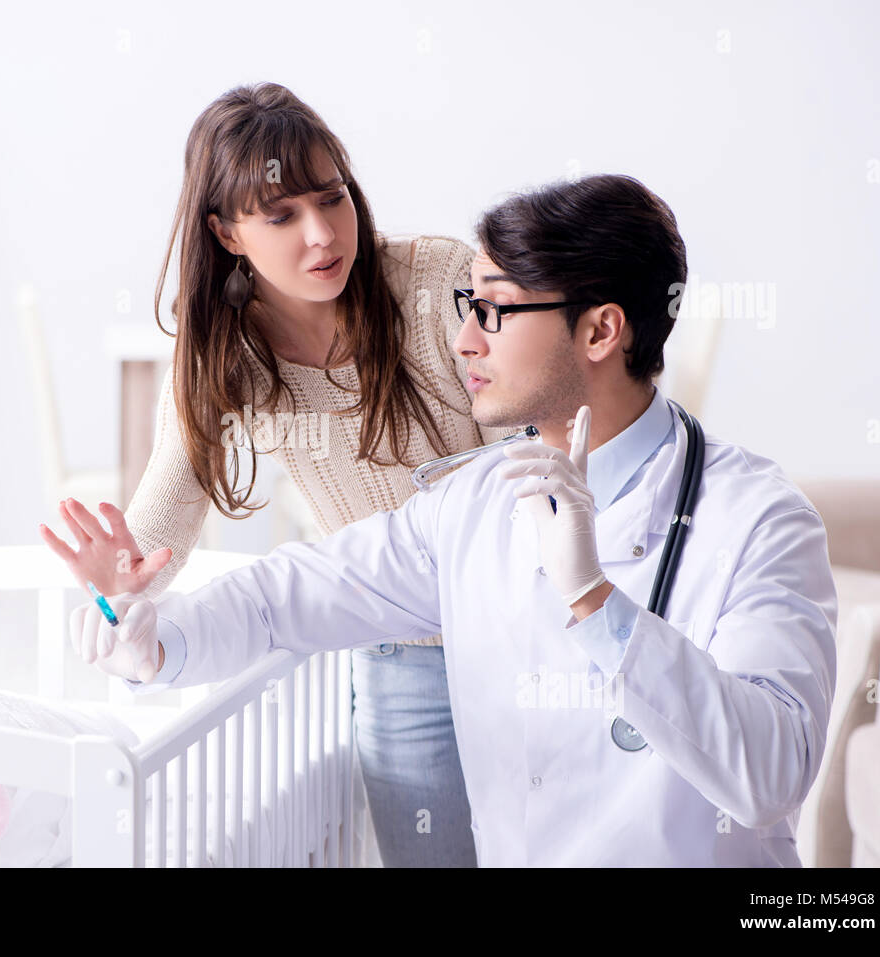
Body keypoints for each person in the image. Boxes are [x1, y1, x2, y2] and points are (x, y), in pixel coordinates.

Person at [69, 173, 839, 867]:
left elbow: (771, 775)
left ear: (601, 331)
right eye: (470, 303)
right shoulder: (470, 504)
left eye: (496, 310)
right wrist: (156, 638)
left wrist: (596, 603)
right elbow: (287, 595)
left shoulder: (759, 520)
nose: (465, 339)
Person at [42, 83, 521, 867]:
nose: (323, 234)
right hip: (398, 651)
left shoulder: (437, 279)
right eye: (281, 215)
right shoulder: (221, 353)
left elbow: (525, 459)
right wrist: (122, 587)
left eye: (333, 199)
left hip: (515, 628)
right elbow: (166, 512)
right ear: (225, 232)